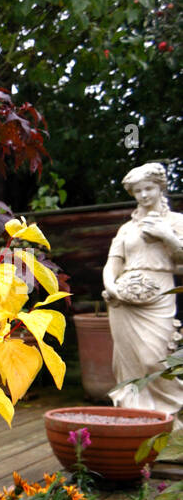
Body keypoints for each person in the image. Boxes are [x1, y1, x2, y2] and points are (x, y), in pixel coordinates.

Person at [102, 162, 183, 418]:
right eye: (138, 191)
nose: (144, 195)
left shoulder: (176, 221)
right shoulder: (127, 229)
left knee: (155, 359)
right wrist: (111, 286)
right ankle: (135, 415)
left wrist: (167, 236)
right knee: (130, 363)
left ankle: (169, 414)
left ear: (160, 188)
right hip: (123, 301)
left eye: (148, 188)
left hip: (160, 294)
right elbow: (112, 264)